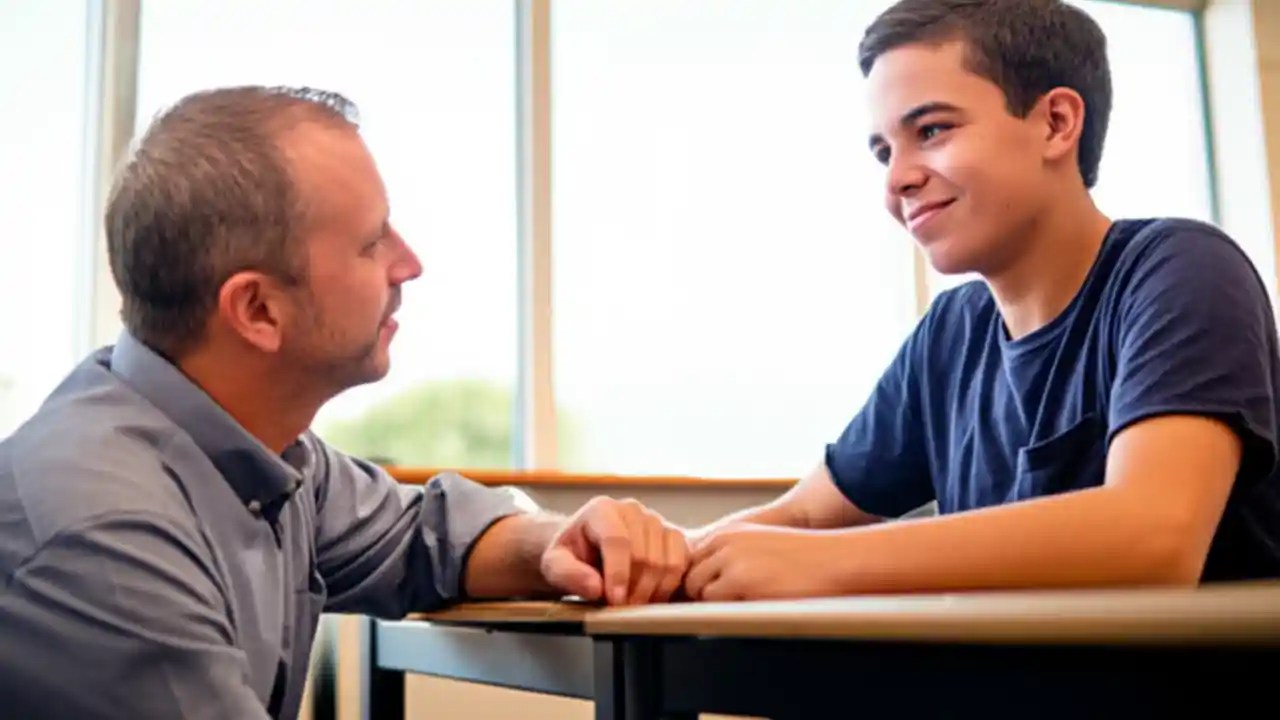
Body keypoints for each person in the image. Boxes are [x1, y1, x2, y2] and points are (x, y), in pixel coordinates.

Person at [0, 86, 688, 720]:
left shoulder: (255, 453)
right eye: (372, 242)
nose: (408, 263)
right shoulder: (104, 537)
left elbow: (420, 536)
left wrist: (554, 545)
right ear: (258, 309)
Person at [683, 0, 1280, 601]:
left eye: (932, 131)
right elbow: (805, 517)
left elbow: (1155, 537)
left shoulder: (1180, 268)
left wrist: (821, 563)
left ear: (1055, 124)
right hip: (1015, 693)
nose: (897, 179)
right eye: (884, 152)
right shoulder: (950, 333)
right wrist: (647, 555)